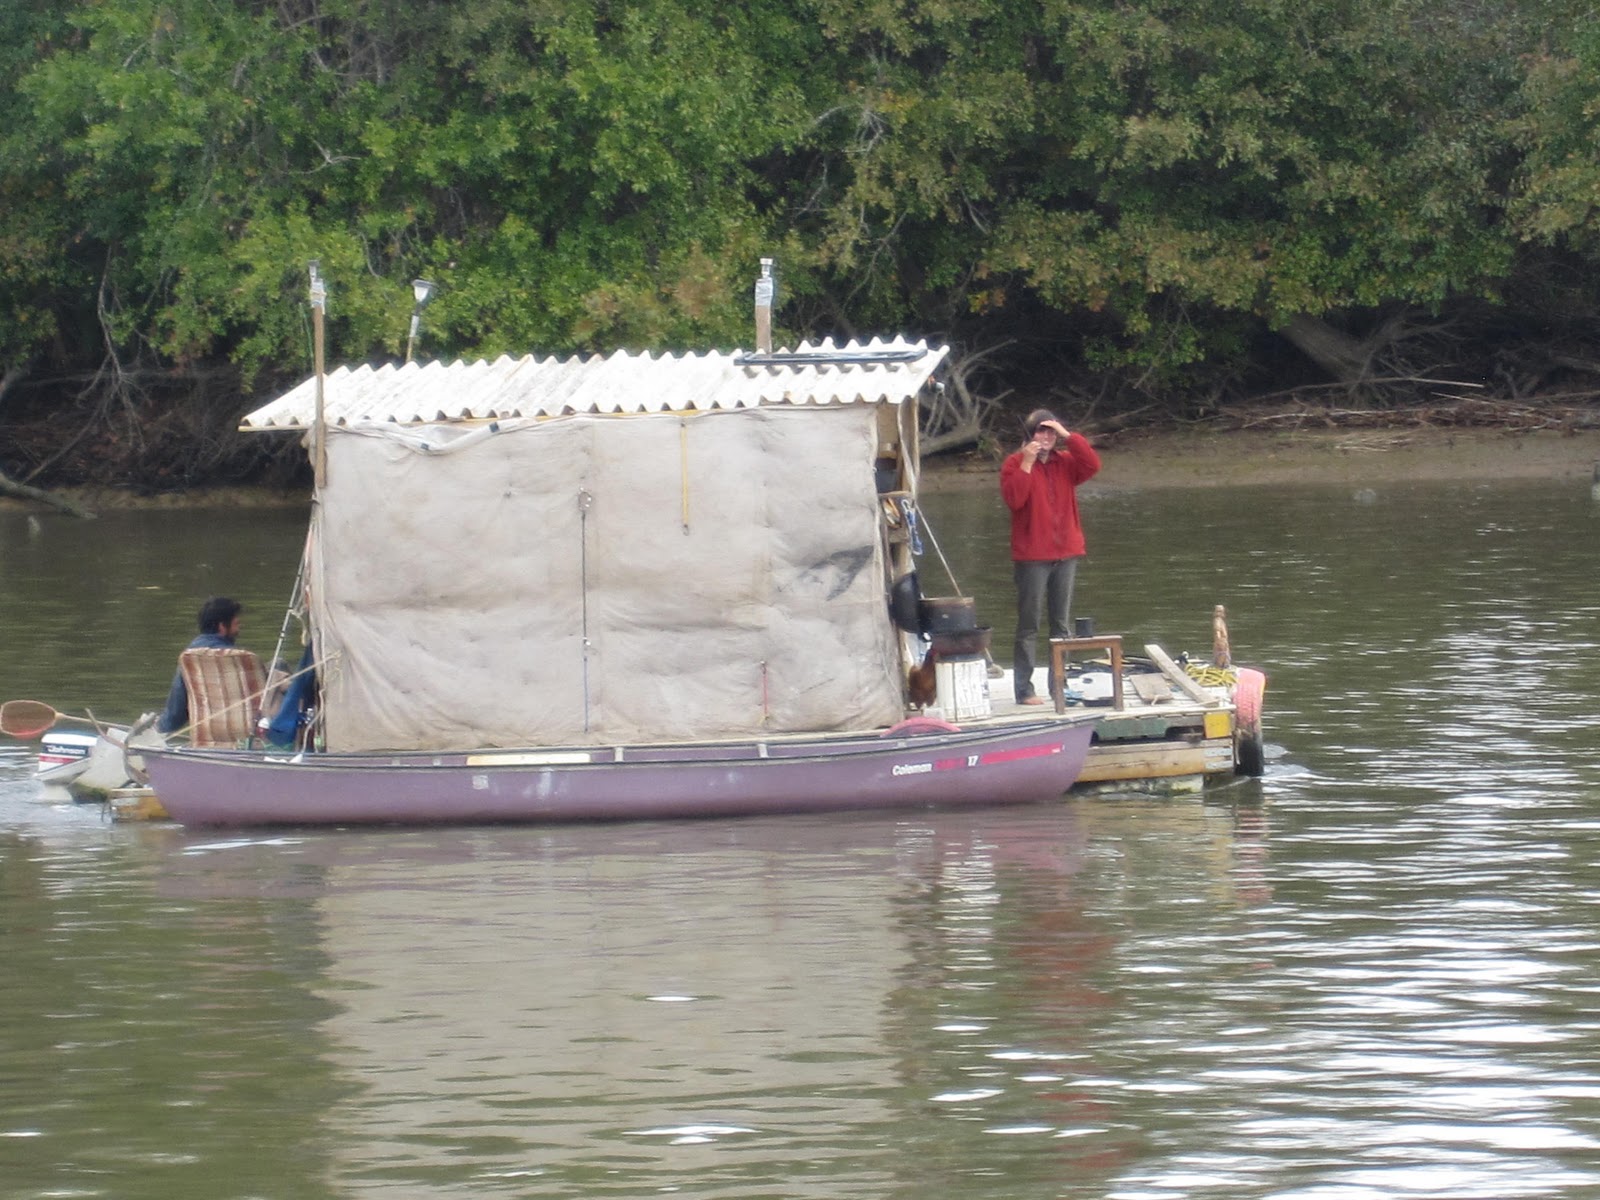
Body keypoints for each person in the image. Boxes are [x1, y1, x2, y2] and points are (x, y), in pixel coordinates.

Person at [999, 410, 1101, 704]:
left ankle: (1059, 686)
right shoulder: (1014, 463)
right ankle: (1024, 690)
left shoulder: (1065, 462)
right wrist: (1027, 463)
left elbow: (1092, 465)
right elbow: (1015, 499)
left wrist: (1069, 436)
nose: (1046, 437)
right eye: (1041, 431)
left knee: (1061, 624)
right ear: (1030, 435)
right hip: (1032, 556)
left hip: (1066, 553)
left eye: (1051, 432)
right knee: (1028, 624)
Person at [157, 596, 244, 734]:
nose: (239, 629)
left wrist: (159, 728)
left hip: (205, 736)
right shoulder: (243, 660)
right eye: (236, 624)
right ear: (222, 626)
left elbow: (176, 711)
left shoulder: (189, 658)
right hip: (245, 735)